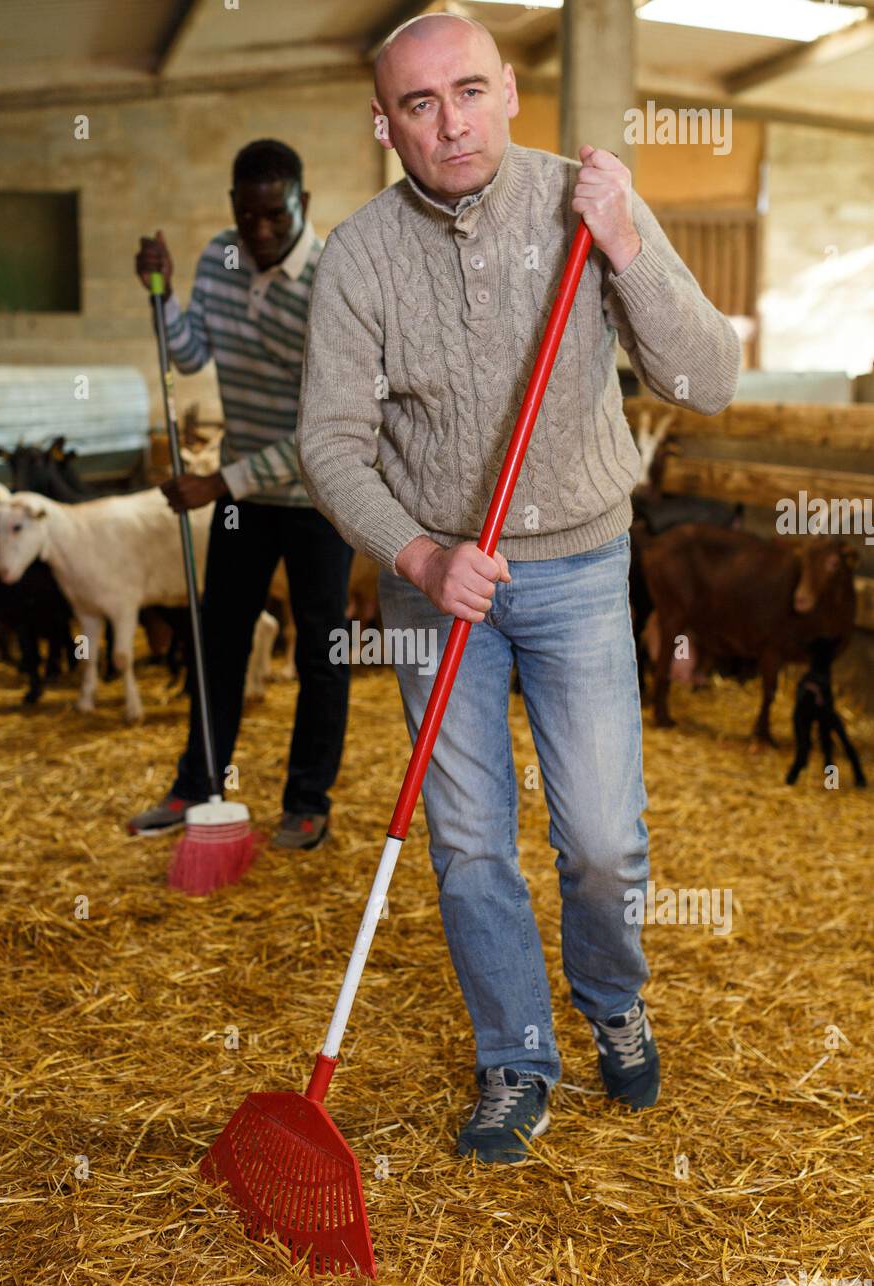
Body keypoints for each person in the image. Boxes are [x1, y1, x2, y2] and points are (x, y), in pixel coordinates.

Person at [298, 15, 740, 1161]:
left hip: (582, 568)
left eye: (470, 91)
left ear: (507, 92)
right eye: (417, 104)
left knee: (599, 838)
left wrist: (628, 244)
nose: (450, 123)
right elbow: (332, 446)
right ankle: (515, 1056)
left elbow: (707, 380)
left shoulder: (582, 204)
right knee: (470, 841)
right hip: (434, 586)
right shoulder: (357, 257)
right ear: (383, 122)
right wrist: (421, 557)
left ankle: (611, 997)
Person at [130, 139, 353, 851]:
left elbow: (329, 426)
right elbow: (192, 353)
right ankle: (197, 783)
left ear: (303, 207)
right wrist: (161, 296)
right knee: (217, 638)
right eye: (248, 215)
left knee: (321, 647)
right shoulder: (219, 258)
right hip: (243, 496)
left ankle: (307, 801)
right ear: (233, 207)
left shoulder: (331, 280)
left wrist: (219, 481)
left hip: (321, 494)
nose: (259, 232)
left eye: (275, 217)